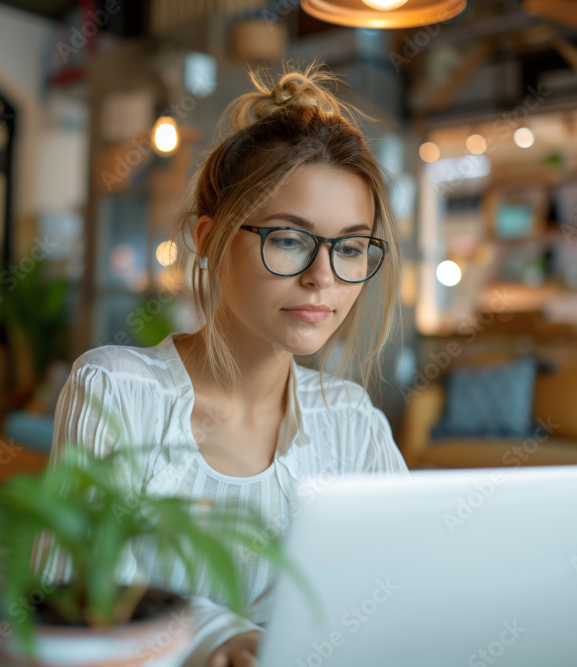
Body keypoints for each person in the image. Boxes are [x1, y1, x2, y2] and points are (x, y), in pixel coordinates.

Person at [34, 59, 410, 667]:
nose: (323, 278)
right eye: (289, 239)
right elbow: (64, 598)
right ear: (209, 239)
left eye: (349, 247)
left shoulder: (353, 421)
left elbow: (404, 590)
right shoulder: (118, 391)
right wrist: (216, 638)